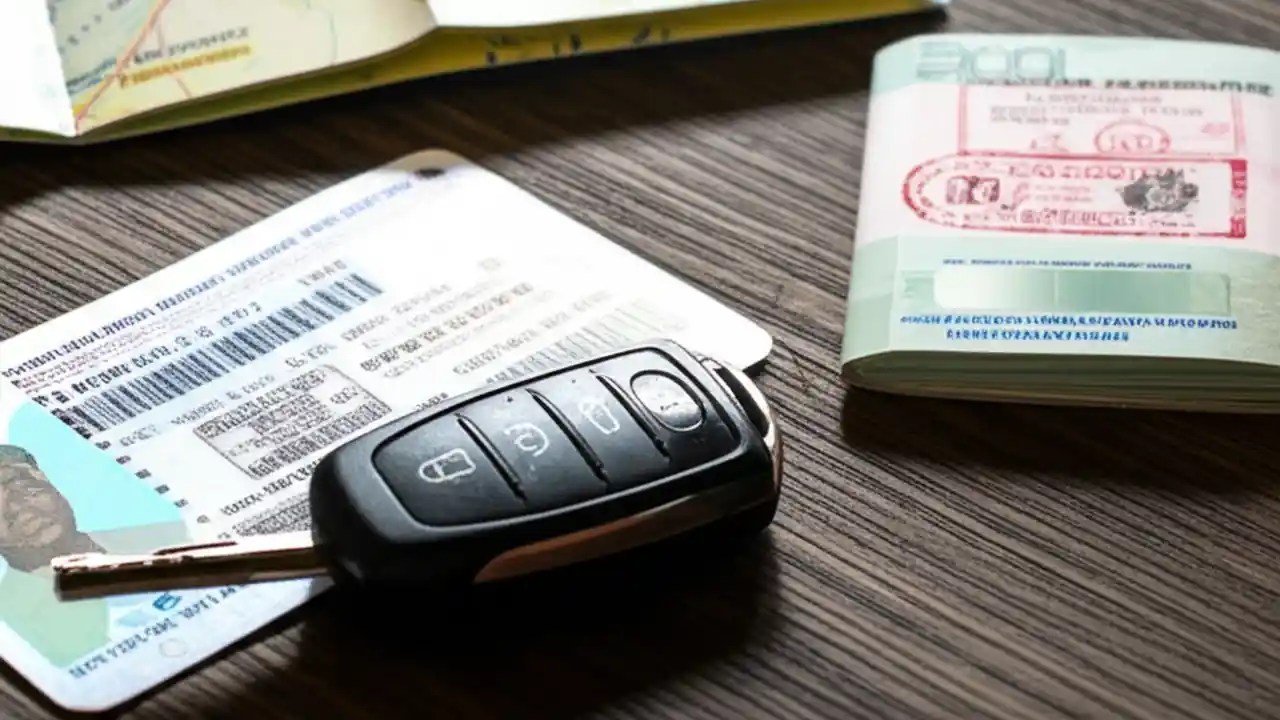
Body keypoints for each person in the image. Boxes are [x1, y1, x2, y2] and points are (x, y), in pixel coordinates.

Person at [0, 445, 186, 668]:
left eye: (23, 487)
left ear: (51, 485)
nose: (16, 509)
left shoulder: (172, 536)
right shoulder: (10, 626)